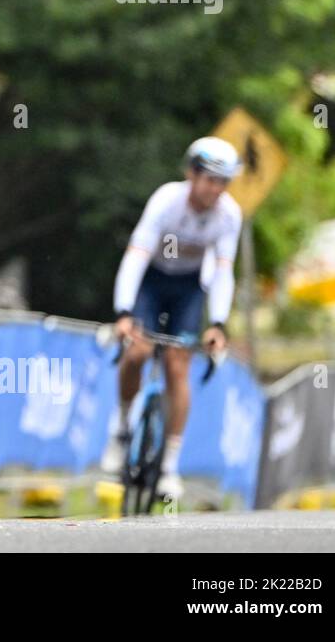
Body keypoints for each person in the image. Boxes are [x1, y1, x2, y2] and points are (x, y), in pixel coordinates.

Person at [100, 136, 241, 499]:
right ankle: (120, 428)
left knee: (179, 364)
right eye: (210, 179)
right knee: (138, 352)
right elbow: (135, 256)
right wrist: (125, 312)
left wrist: (218, 324)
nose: (216, 189)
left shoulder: (229, 215)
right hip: (152, 281)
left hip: (189, 288)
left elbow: (224, 272)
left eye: (223, 182)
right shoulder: (166, 200)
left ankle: (168, 467)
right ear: (191, 174)